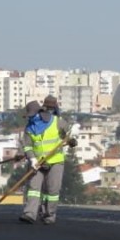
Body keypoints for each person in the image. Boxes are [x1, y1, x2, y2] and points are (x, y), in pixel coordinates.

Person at [19, 95, 78, 225]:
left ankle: (49, 215)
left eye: (32, 115)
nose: (31, 118)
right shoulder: (29, 128)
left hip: (55, 161)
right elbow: (27, 146)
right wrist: (32, 159)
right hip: (37, 163)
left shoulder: (57, 122)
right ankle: (29, 214)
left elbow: (68, 134)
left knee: (53, 191)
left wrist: (71, 141)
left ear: (39, 113)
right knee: (34, 189)